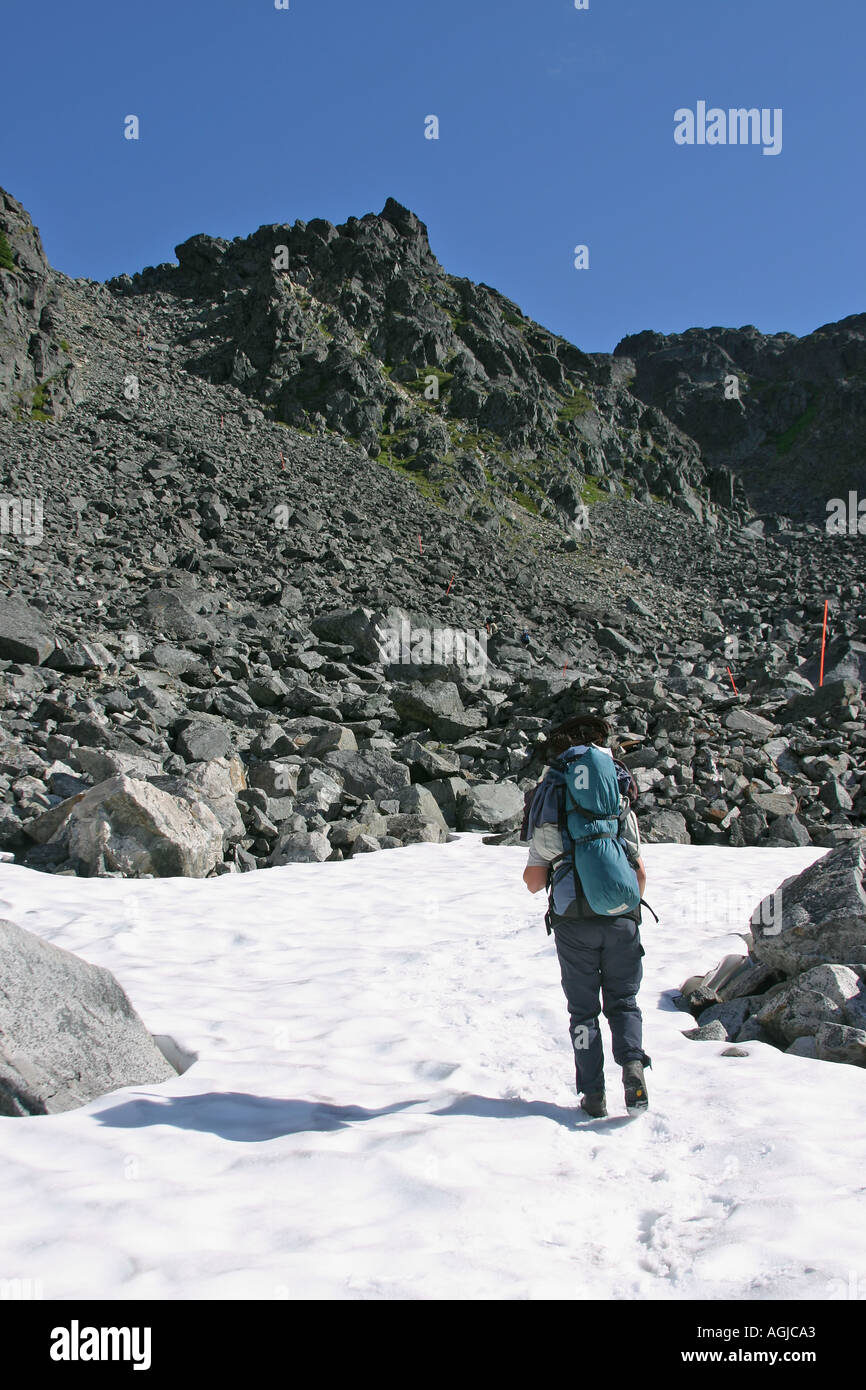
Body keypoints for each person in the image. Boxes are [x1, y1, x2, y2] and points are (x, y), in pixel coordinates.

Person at [522, 713, 651, 1119]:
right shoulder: (616, 797)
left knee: (584, 1012)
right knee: (624, 1000)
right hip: (621, 917)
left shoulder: (550, 796)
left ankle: (593, 1095)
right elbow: (640, 870)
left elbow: (532, 880)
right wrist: (625, 909)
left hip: (573, 920)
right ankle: (633, 1068)